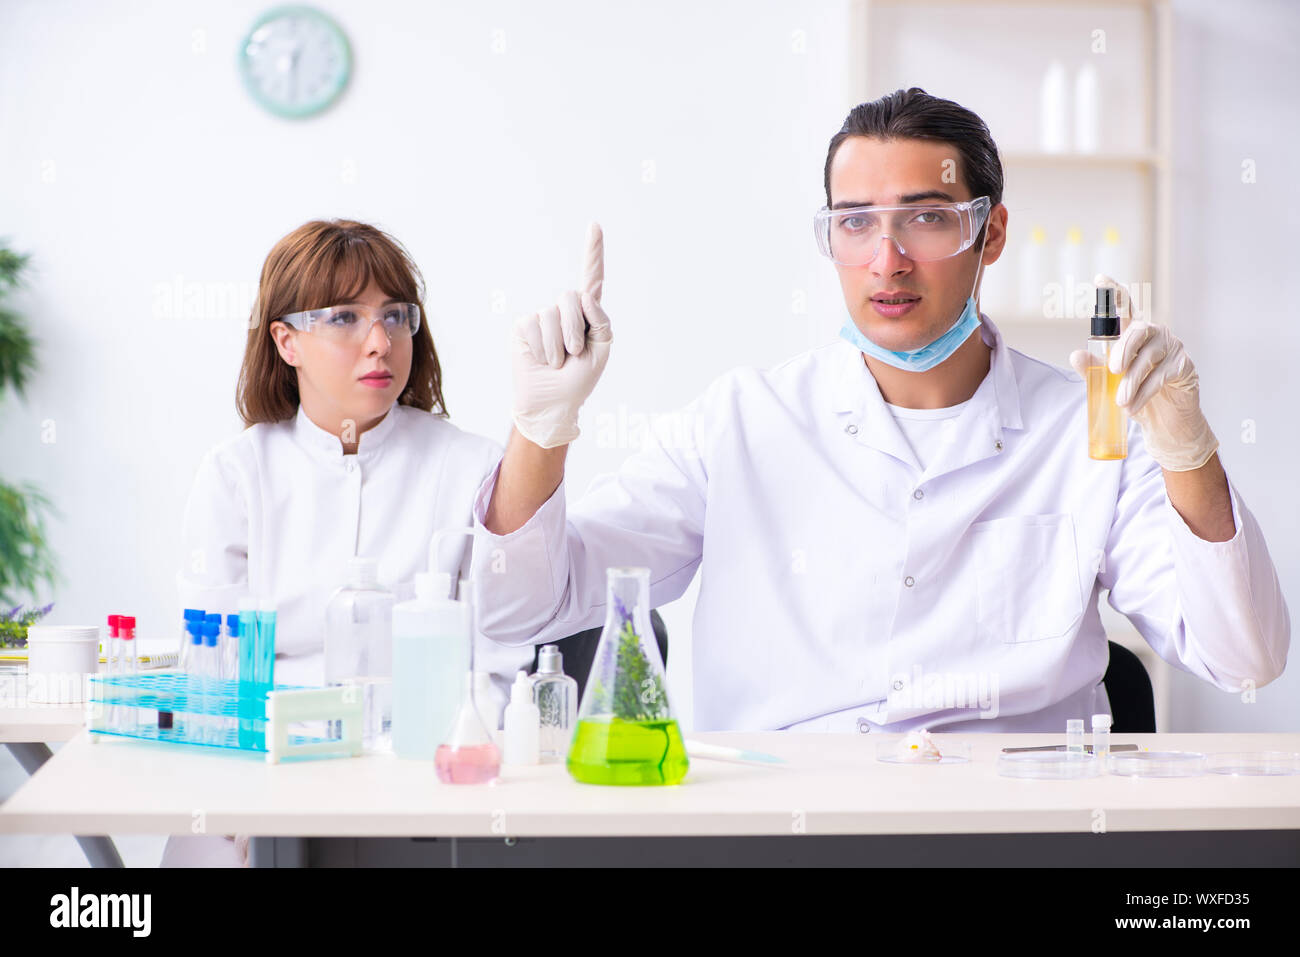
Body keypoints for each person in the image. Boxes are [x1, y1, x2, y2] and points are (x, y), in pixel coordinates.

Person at [469, 88, 1289, 734]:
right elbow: (523, 610)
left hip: (1013, 830)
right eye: (855, 223)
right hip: (787, 828)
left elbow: (1244, 656)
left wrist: (1187, 453)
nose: (886, 260)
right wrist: (541, 432)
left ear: (990, 232)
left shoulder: (1093, 429)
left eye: (926, 219)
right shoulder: (740, 423)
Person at [164, 220, 532, 866]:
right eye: (344, 317)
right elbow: (212, 677)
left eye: (395, 315)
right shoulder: (236, 475)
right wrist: (252, 798)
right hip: (260, 782)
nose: (379, 341)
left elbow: (500, 664)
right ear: (286, 341)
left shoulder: (474, 470)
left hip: (428, 783)